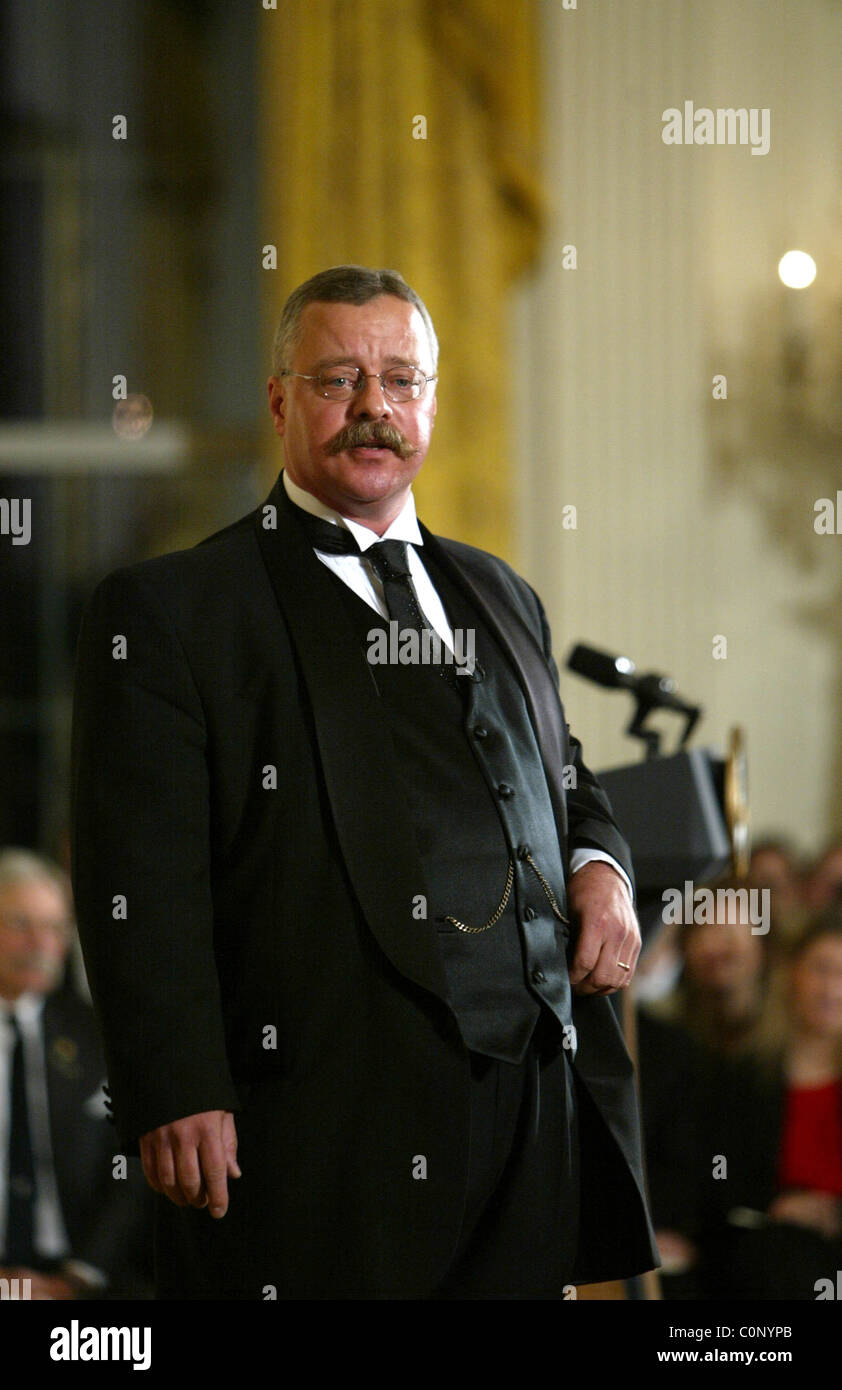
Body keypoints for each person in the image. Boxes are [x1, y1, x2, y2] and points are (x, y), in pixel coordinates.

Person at [71, 265, 658, 1299]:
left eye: (399, 379)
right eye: (339, 378)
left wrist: (601, 866)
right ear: (279, 399)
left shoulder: (500, 591)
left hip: (526, 1110)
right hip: (313, 1124)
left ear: (431, 400)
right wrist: (174, 1087)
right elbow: (138, 877)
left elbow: (562, 775)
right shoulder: (177, 610)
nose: (373, 407)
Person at [0, 848, 152, 1298]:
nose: (42, 943)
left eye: (55, 927)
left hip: (76, 1280)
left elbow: (131, 1169)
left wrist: (76, 1279)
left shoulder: (98, 1037)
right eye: (20, 923)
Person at [698, 907, 842, 1298]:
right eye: (822, 969)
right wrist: (774, 1206)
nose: (832, 989)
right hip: (765, 1252)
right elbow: (715, 1175)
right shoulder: (744, 1073)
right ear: (793, 973)